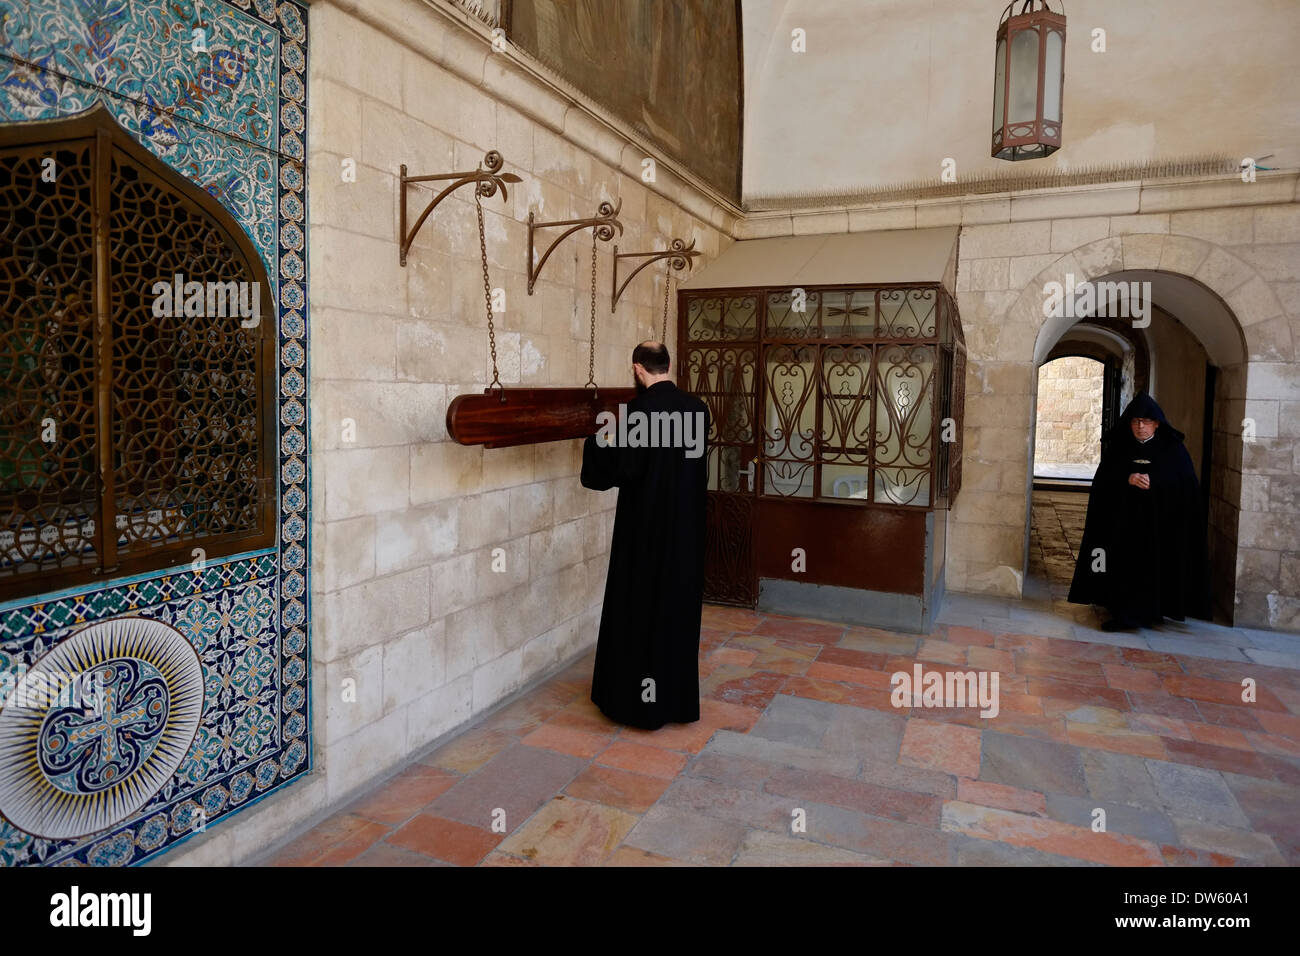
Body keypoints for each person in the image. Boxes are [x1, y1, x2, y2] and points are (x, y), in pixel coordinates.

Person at [579, 341, 710, 729]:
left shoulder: (637, 414)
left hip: (645, 535)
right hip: (685, 534)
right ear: (667, 366)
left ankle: (637, 705)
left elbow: (618, 470)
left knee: (639, 612)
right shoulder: (697, 411)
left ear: (638, 369)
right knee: (676, 615)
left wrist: (593, 438)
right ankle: (676, 703)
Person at [1067, 392, 1210, 630]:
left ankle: (1152, 611)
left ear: (1156, 423)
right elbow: (1103, 481)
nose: (1140, 426)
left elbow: (1186, 486)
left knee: (1155, 568)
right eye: (1135, 421)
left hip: (1159, 526)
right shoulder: (1119, 448)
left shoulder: (1173, 450)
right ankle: (1124, 613)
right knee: (1123, 567)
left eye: (1145, 422)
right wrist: (1128, 478)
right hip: (1123, 525)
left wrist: (1157, 482)